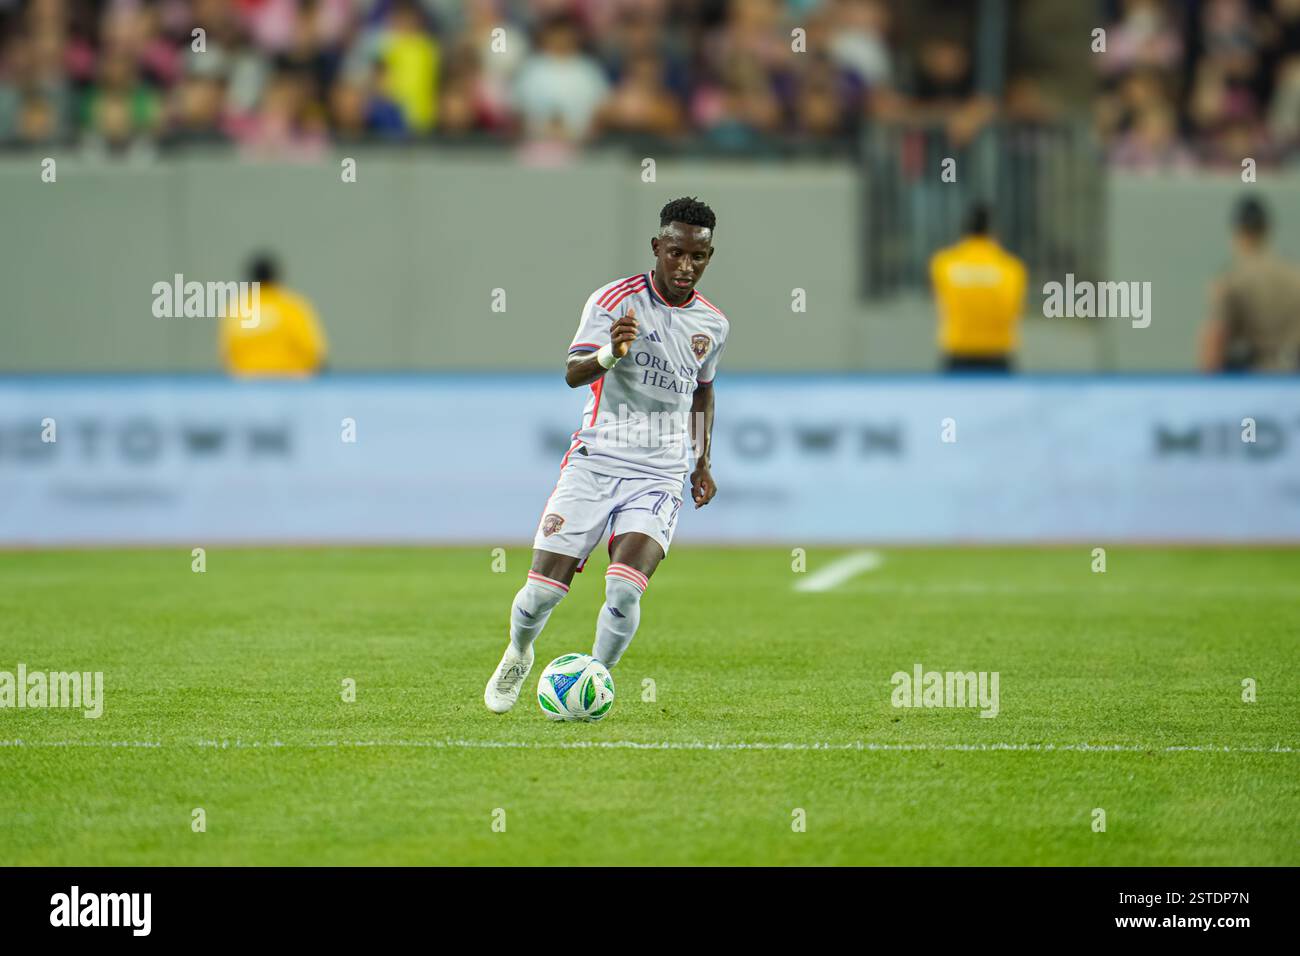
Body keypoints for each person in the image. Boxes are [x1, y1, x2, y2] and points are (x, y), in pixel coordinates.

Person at [484, 197, 728, 713]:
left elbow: (702, 391)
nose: (686, 266)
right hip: (597, 462)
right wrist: (610, 353)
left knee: (623, 591)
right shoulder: (614, 301)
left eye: (699, 257)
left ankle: (594, 678)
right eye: (677, 253)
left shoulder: (713, 325)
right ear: (657, 247)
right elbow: (574, 373)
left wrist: (701, 460)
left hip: (659, 474)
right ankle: (519, 652)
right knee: (542, 594)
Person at [1200, 197, 1300, 372]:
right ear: (1267, 229)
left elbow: (1215, 340)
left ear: (1238, 232)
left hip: (1251, 381)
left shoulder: (1232, 280)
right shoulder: (1295, 277)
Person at [929, 202, 1028, 372]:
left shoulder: (943, 264)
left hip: (958, 354)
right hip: (998, 355)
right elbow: (1015, 310)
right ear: (993, 232)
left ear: (963, 232)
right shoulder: (1012, 268)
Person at [220, 253, 328, 377]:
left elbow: (227, 353)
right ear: (276, 277)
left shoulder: (238, 307)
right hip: (290, 381)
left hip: (247, 381)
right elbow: (313, 350)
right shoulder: (291, 305)